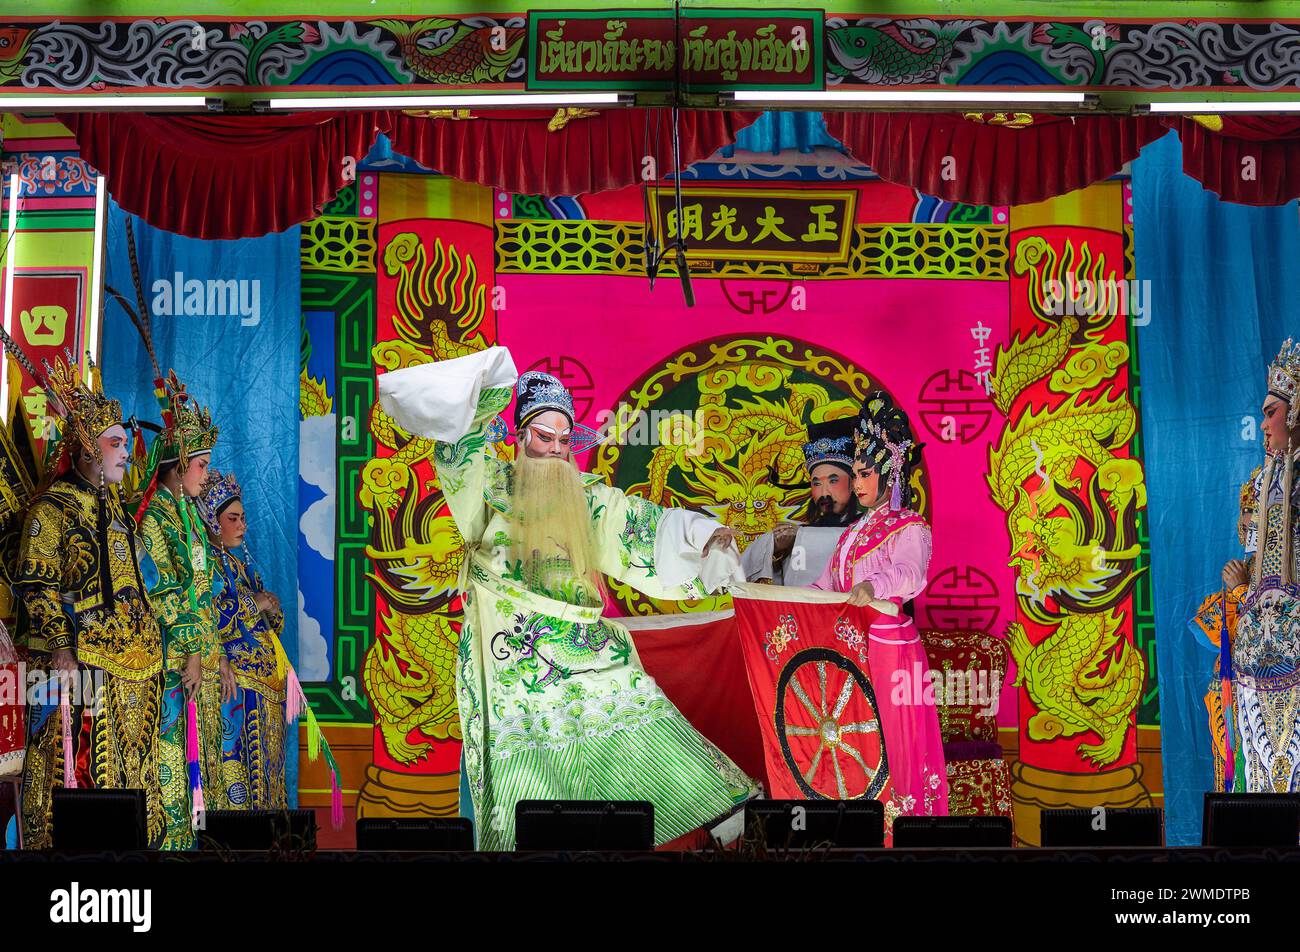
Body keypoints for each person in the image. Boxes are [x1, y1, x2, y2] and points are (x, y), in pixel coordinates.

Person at [378, 347, 757, 849]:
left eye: (563, 439)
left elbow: (644, 526)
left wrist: (703, 535)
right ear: (521, 438)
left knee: (639, 705)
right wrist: (487, 390)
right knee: (524, 772)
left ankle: (720, 811)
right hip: (514, 667)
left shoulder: (590, 496)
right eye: (543, 436)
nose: (556, 449)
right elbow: (457, 452)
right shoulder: (492, 486)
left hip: (586, 651)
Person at [15, 353, 164, 848]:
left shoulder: (118, 510)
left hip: (128, 666)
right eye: (115, 443)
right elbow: (34, 585)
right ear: (84, 449)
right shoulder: (51, 508)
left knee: (126, 770)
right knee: (67, 767)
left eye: (125, 443)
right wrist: (60, 647)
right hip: (71, 664)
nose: (125, 452)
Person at [811, 390, 948, 831]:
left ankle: (902, 834)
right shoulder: (853, 531)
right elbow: (827, 584)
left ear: (889, 472)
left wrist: (874, 585)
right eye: (856, 473)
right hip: (850, 650)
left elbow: (910, 572)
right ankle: (860, 832)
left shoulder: (910, 525)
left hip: (889, 650)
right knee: (854, 742)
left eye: (865, 472)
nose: (858, 482)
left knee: (892, 743)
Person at [137, 381, 229, 848]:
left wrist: (214, 652)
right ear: (176, 467)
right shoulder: (155, 518)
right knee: (175, 756)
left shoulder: (191, 517)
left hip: (202, 659)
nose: (207, 475)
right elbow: (163, 591)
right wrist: (192, 651)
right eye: (202, 465)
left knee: (205, 757)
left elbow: (204, 588)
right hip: (175, 662)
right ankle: (172, 847)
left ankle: (197, 844)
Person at [1223, 339, 1300, 792]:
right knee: (1260, 772)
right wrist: (1242, 584)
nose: (1264, 424)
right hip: (1259, 651)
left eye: (1271, 411)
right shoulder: (1257, 485)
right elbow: (1260, 559)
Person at [197, 468, 287, 809]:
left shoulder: (238, 566)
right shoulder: (206, 564)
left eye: (243, 518)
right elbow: (208, 615)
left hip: (265, 688)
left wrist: (269, 607)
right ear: (212, 520)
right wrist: (255, 603)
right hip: (236, 688)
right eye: (233, 518)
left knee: (267, 772)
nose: (242, 526)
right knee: (239, 772)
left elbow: (266, 618)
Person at [1189, 482, 1255, 792]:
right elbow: (1208, 630)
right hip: (1231, 703)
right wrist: (1238, 590)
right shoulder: (1241, 572)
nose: (1249, 521)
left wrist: (1242, 592)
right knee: (1233, 787)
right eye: (1246, 512)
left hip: (1270, 703)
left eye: (1256, 512)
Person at [741, 417, 860, 586]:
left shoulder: (869, 527)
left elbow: (855, 543)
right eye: (816, 483)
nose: (824, 492)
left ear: (853, 483)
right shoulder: (800, 531)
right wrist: (773, 546)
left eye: (833, 481)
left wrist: (800, 536)